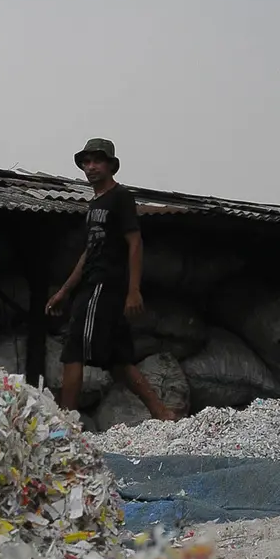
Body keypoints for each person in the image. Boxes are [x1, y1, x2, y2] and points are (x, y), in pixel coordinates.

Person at [46, 139, 178, 422]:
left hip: (104, 285)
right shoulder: (94, 204)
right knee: (118, 358)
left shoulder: (120, 197)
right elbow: (89, 253)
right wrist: (65, 291)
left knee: (74, 348)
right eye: (87, 162)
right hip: (93, 282)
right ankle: (162, 412)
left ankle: (65, 422)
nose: (91, 167)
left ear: (110, 165)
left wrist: (133, 290)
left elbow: (135, 243)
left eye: (97, 161)